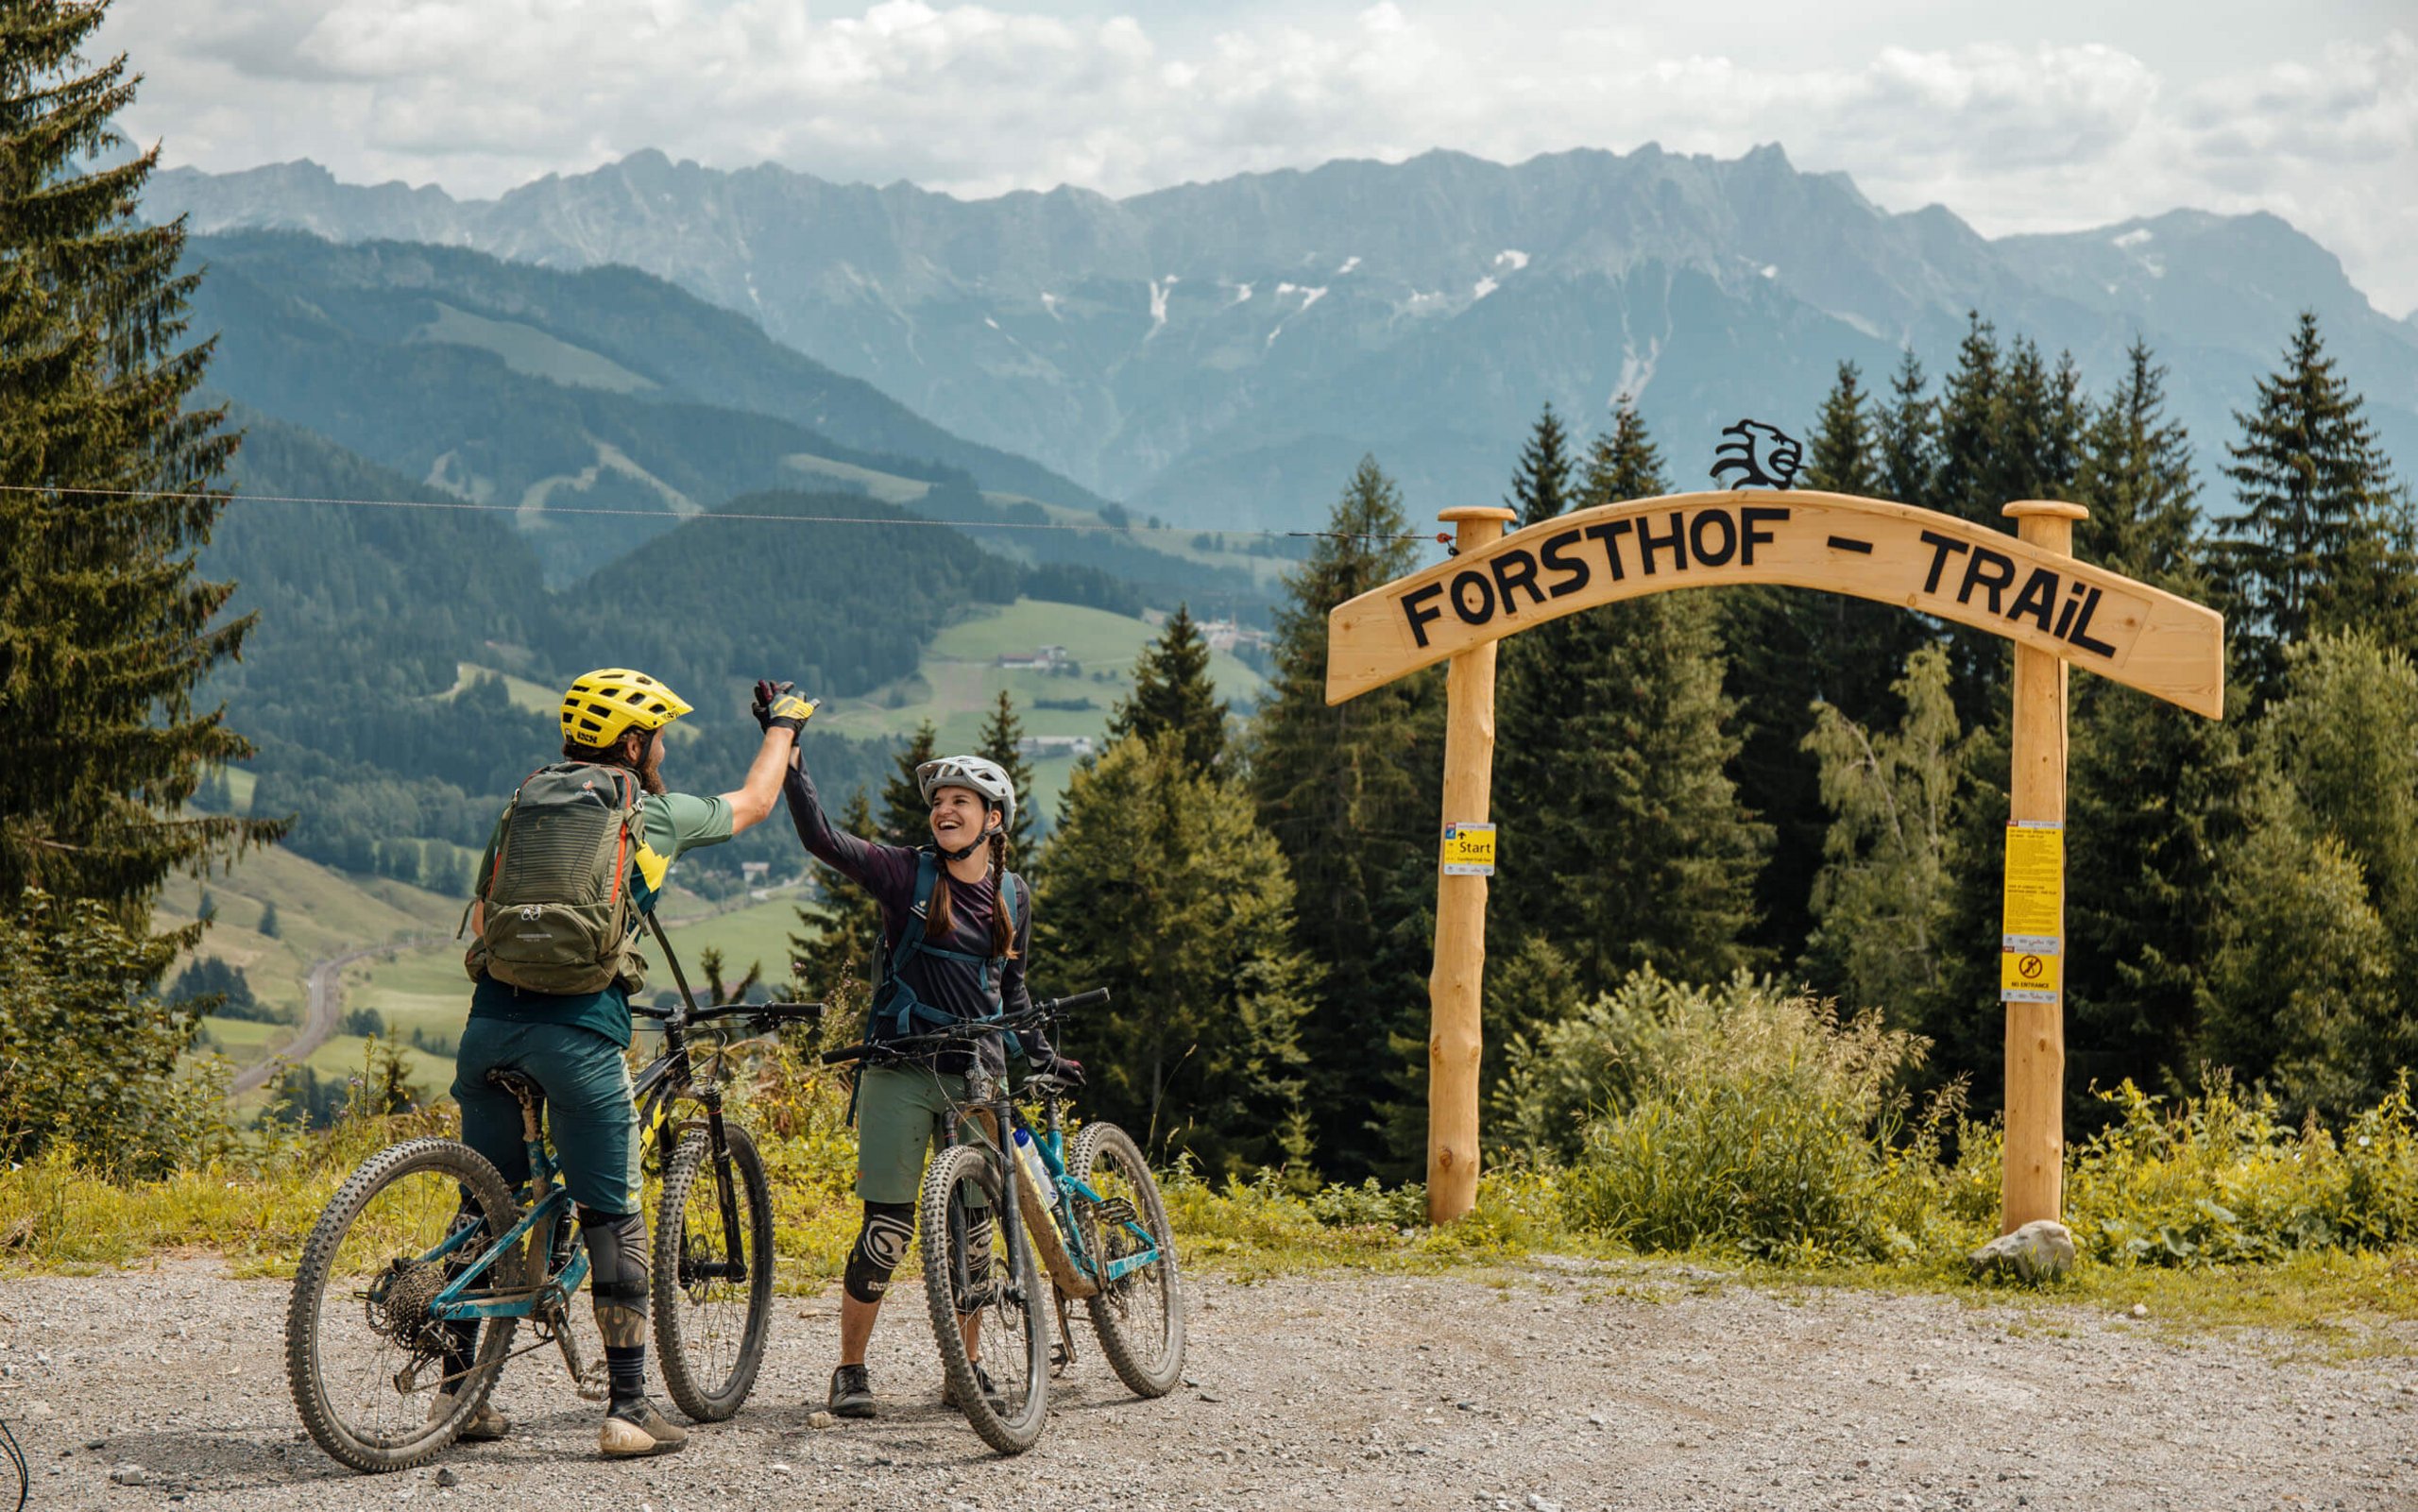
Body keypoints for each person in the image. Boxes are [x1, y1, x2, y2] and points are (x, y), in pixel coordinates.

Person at [445, 668, 812, 1458]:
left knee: (487, 1200)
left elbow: (482, 917)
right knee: (612, 1213)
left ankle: (455, 1396)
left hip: (488, 1032)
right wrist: (783, 726)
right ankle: (629, 1407)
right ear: (633, 743)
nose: (666, 751)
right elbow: (752, 803)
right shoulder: (649, 813)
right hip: (579, 1035)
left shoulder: (524, 807)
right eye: (660, 738)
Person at [761, 679, 1081, 1419]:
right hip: (901, 1069)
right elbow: (823, 840)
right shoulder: (905, 873)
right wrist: (793, 756)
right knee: (887, 1229)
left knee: (974, 1228)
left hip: (979, 1073)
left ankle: (963, 1369)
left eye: (960, 801)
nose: (944, 809)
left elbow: (1013, 987)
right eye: (939, 801)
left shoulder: (1015, 895)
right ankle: (849, 1370)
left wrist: (1038, 1053)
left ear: (992, 819)